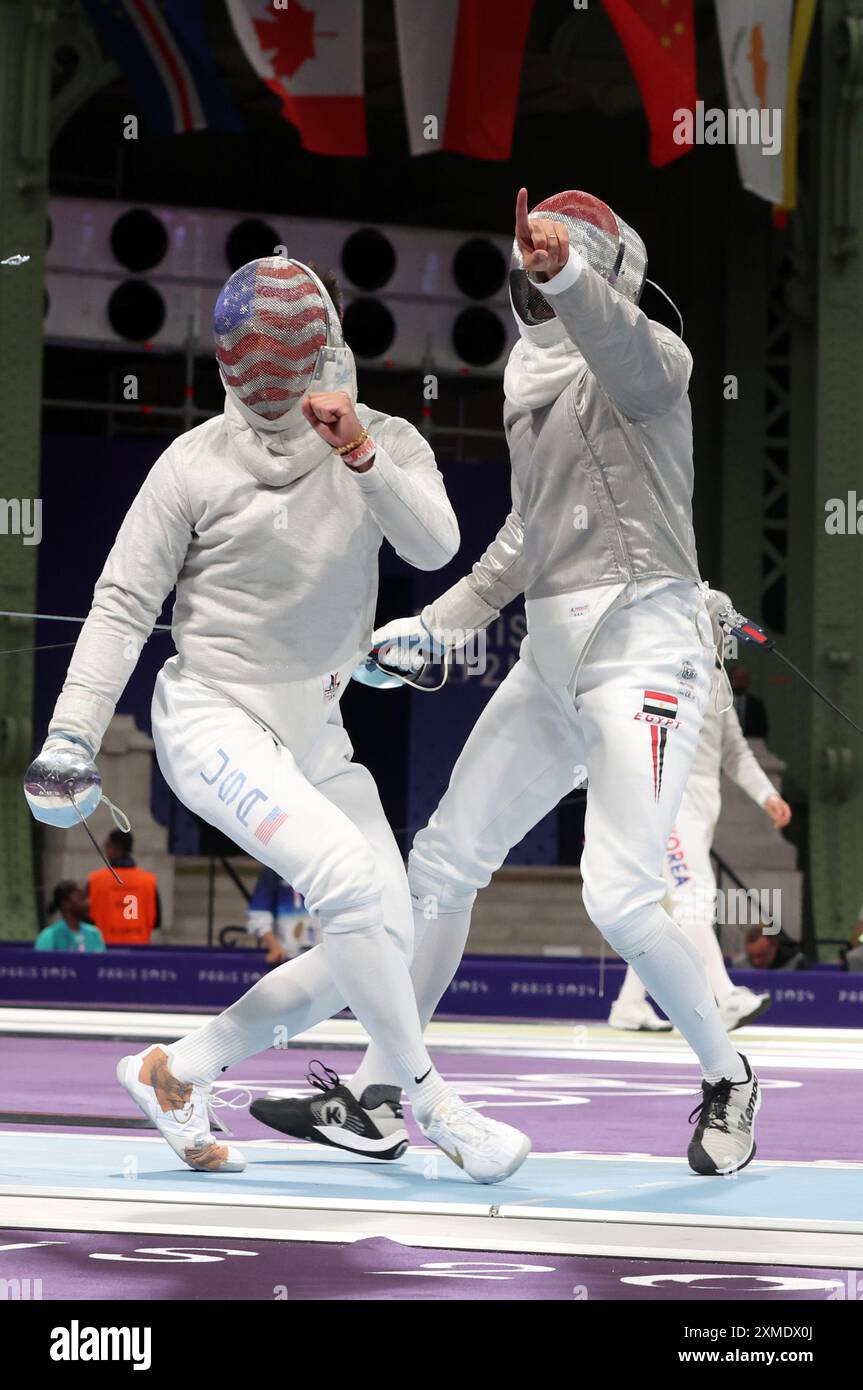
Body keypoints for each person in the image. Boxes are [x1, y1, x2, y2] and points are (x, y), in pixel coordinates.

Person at [251, 190, 761, 1179]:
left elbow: (616, 345)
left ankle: (728, 1077)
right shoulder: (527, 392)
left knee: (618, 893)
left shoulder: (654, 361)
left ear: (596, 267)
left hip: (644, 653)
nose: (540, 274)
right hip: (549, 662)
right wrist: (427, 629)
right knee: (438, 864)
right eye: (533, 258)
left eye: (563, 259)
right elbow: (522, 541)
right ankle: (380, 1095)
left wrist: (564, 270)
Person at [24, 257, 529, 1185]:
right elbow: (123, 604)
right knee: (344, 881)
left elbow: (436, 544)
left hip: (316, 735)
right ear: (224, 372)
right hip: (209, 718)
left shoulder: (382, 443)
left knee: (384, 928)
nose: (271, 394)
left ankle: (175, 1073)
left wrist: (357, 454)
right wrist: (69, 738)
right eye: (255, 375)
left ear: (329, 354)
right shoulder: (193, 465)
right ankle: (431, 1105)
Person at [608, 660, 792, 1033]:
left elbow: (735, 751)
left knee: (663, 910)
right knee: (694, 896)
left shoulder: (718, 678)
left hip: (703, 807)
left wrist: (766, 794)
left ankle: (628, 1005)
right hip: (666, 798)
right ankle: (725, 996)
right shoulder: (659, 661)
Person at [88, 829, 160, 946]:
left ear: (116, 847)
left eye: (107, 845)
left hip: (103, 951)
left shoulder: (95, 880)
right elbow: (156, 921)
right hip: (139, 951)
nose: (105, 849)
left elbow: (86, 921)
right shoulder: (149, 881)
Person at [246, 866, 320, 964]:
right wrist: (274, 947)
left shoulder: (326, 867)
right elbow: (259, 913)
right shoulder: (273, 870)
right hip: (287, 957)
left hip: (325, 955)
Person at [35, 881, 106, 953]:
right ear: (65, 903)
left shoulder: (94, 933)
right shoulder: (49, 936)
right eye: (81, 898)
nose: (88, 902)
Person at [728, 664, 768, 739]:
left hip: (752, 745)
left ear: (748, 681)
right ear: (729, 680)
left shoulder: (756, 704)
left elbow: (762, 731)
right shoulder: (722, 703)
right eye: (736, 678)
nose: (739, 682)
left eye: (742, 678)